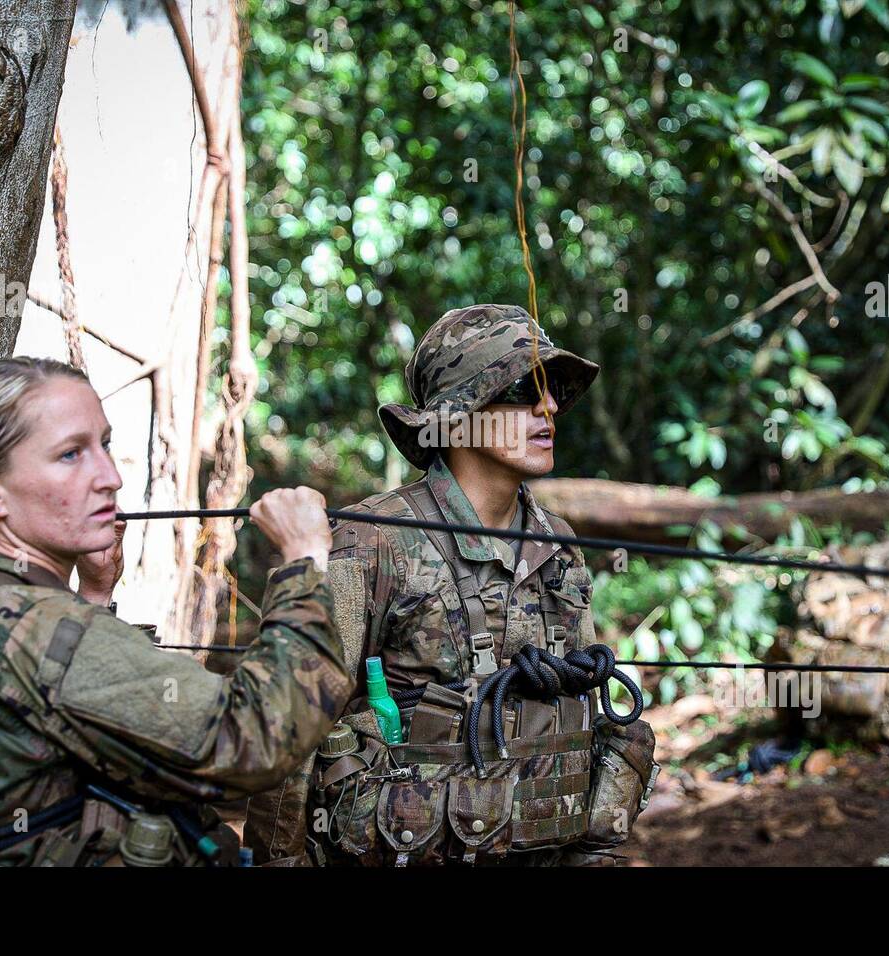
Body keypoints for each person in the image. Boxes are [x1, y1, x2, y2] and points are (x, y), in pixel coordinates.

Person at [0, 357, 352, 866]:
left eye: (103, 445)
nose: (109, 477)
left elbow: (53, 744)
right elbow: (256, 736)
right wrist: (304, 560)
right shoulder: (36, 628)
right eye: (70, 455)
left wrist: (91, 598)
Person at [244, 304, 658, 866]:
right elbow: (291, 726)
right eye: (521, 389)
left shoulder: (557, 544)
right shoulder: (371, 542)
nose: (550, 407)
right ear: (460, 415)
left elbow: (579, 716)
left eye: (553, 387)